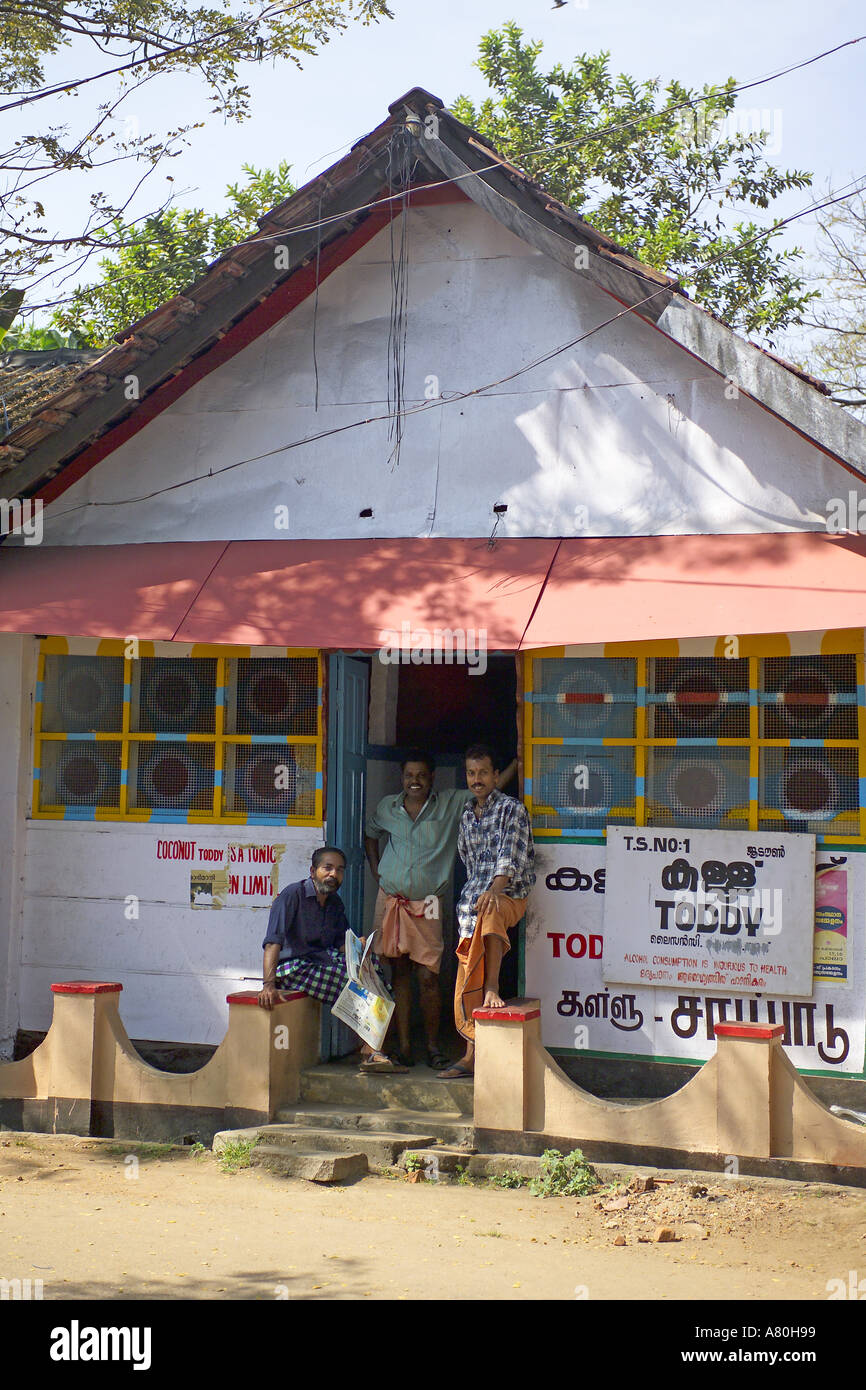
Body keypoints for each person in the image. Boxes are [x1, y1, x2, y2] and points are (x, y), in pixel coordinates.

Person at [364, 749, 516, 1071]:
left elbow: (488, 784)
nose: (414, 781)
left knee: (428, 976)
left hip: (430, 903)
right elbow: (370, 835)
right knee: (398, 973)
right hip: (391, 900)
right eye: (409, 775)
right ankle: (404, 1048)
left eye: (421, 775)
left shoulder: (450, 803)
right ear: (401, 778)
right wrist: (377, 869)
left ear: (432, 778)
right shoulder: (387, 808)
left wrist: (518, 759)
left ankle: (433, 1046)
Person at [257, 844, 405, 1073]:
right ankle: (370, 1051)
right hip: (293, 968)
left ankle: (374, 1045)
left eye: (339, 870)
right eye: (327, 868)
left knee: (372, 966)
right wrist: (268, 984)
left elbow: (341, 944)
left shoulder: (335, 903)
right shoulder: (291, 895)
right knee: (346, 980)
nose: (333, 874)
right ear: (312, 870)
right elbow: (272, 942)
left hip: (321, 961)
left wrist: (359, 947)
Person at [436, 744, 535, 1081]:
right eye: (471, 773)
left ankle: (493, 985)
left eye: (483, 773)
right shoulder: (466, 814)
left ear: (496, 776)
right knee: (466, 976)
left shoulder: (512, 810)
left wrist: (493, 890)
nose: (476, 780)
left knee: (490, 910)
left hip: (507, 896)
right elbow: (467, 861)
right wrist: (481, 894)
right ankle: (470, 1054)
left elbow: (509, 860)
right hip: (472, 906)